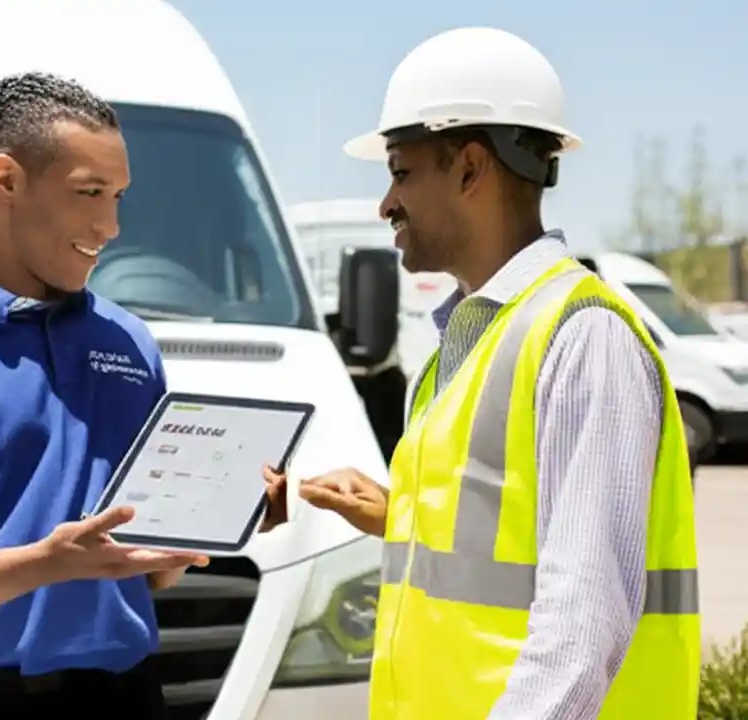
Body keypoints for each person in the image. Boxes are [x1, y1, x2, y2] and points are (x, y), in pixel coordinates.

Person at [0, 71, 288, 719]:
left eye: (118, 196)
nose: (111, 225)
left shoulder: (130, 344)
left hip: (125, 698)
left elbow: (152, 572)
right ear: (7, 180)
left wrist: (216, 510)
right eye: (89, 193)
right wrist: (48, 563)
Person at [268, 27, 701, 719]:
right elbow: (505, 548)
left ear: (470, 168)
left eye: (401, 173)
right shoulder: (468, 341)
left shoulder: (583, 337)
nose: (386, 204)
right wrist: (401, 516)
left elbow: (581, 631)